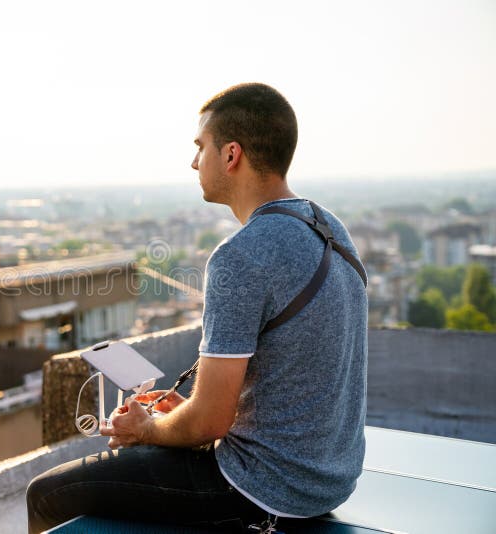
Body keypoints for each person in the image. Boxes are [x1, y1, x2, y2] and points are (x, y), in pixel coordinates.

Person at [26, 83, 368, 533]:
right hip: (330, 480)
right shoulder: (328, 227)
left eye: (200, 147)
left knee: (45, 495)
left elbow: (209, 422)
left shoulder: (242, 255)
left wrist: (145, 429)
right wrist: (178, 416)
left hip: (260, 489)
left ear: (231, 155)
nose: (193, 162)